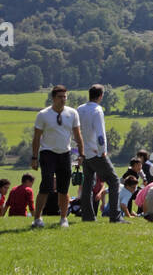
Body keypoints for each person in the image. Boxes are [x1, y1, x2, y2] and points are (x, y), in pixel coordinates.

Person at [30, 84, 84, 229]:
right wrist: (34, 158)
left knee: (63, 188)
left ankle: (63, 218)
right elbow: (36, 138)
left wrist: (81, 154)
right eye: (60, 97)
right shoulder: (43, 115)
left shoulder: (72, 113)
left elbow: (78, 135)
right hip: (48, 153)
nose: (63, 100)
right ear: (53, 98)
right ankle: (37, 218)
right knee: (46, 185)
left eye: (65, 97)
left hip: (64, 154)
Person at [77, 84, 124, 223]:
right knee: (114, 181)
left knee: (87, 184)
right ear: (101, 96)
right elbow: (100, 134)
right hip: (96, 152)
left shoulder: (80, 109)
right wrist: (102, 151)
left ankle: (88, 216)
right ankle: (115, 216)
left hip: (84, 152)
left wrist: (78, 151)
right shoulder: (97, 110)